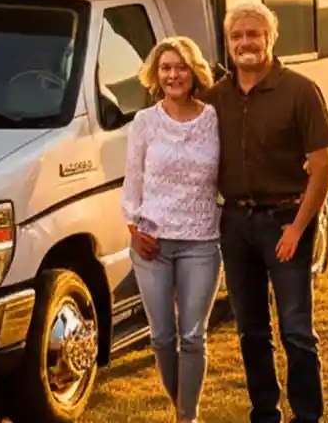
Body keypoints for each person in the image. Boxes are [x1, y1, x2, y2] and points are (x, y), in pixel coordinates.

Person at [200, 1, 328, 423]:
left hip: (285, 221)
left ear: (271, 38)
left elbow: (324, 167)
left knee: (296, 329)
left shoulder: (300, 90)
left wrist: (298, 228)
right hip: (235, 224)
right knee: (251, 330)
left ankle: (307, 416)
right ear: (228, 43)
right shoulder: (216, 97)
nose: (246, 42)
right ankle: (264, 413)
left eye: (254, 34)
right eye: (237, 35)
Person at [120, 35, 222, 423]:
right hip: (152, 244)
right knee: (161, 337)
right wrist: (132, 226)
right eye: (165, 67)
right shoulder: (144, 123)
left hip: (201, 241)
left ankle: (187, 418)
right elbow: (132, 182)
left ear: (194, 72)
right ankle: (181, 408)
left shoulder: (214, 118)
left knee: (193, 335)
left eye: (180, 67)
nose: (173, 74)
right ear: (155, 74)